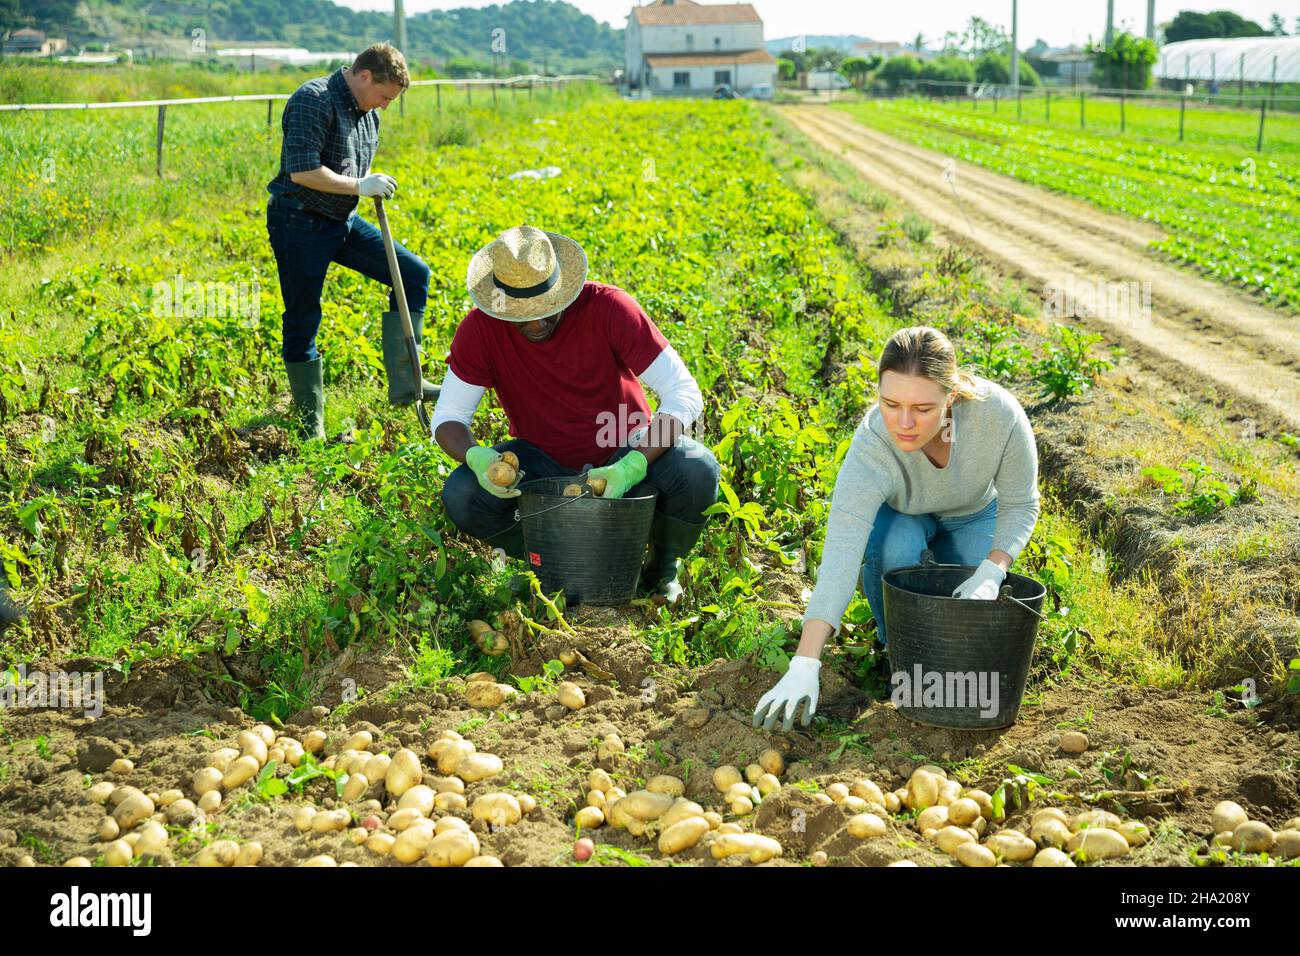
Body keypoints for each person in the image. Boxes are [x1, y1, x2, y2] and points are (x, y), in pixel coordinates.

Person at [753, 326, 1041, 731]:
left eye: (923, 409)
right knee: (895, 545)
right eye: (890, 404)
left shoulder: (997, 417)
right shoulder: (873, 446)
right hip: (904, 516)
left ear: (951, 396)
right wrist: (805, 661)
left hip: (974, 515)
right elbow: (840, 553)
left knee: (969, 613)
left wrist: (993, 571)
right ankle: (898, 654)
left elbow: (1020, 502)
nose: (904, 423)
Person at [431, 225, 720, 603]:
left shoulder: (609, 308)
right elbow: (448, 417)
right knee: (463, 493)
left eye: (547, 309)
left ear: (562, 288)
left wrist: (634, 463)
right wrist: (477, 455)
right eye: (522, 315)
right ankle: (555, 564)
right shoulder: (481, 329)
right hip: (544, 469)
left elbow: (684, 391)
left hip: (623, 449)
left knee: (695, 467)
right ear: (500, 301)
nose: (536, 323)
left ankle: (659, 569)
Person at [265, 42, 438, 441]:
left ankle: (407, 383)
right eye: (384, 95)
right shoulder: (313, 100)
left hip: (342, 219)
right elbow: (303, 171)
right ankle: (310, 422)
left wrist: (365, 184)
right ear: (364, 76)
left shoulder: (368, 113)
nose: (385, 106)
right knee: (303, 316)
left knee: (413, 275)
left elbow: (348, 165)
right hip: (300, 221)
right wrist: (360, 184)